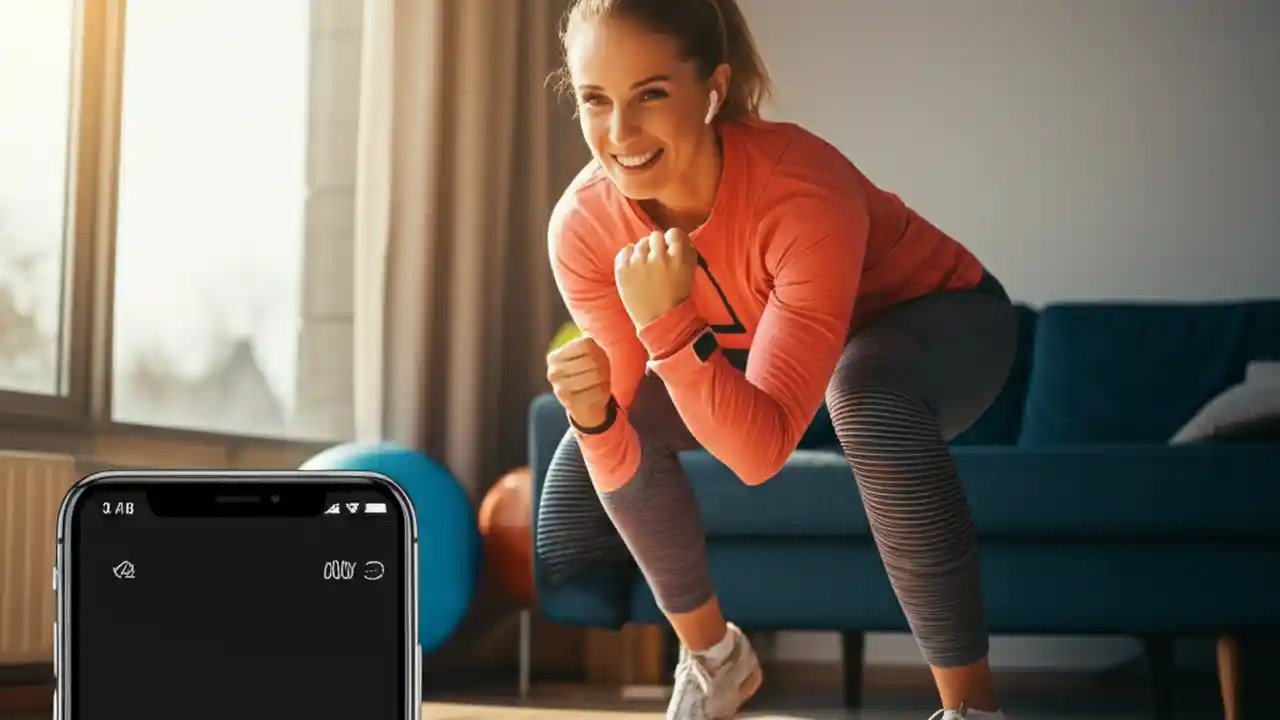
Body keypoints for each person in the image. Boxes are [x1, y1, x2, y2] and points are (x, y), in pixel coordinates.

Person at [539, 1, 1017, 718]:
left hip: (940, 325)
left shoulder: (801, 191)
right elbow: (629, 403)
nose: (620, 133)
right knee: (569, 508)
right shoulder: (583, 226)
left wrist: (669, 321)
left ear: (713, 88)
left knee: (865, 394)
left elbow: (759, 457)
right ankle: (716, 661)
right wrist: (594, 410)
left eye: (652, 94)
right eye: (595, 100)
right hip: (781, 365)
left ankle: (972, 708)